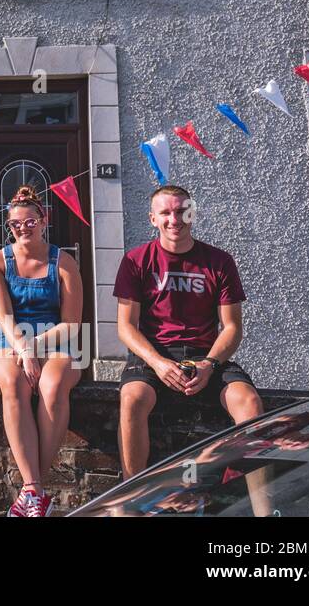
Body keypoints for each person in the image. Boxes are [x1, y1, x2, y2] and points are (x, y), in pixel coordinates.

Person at [115, 185, 263, 480]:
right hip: (153, 357)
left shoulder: (219, 261)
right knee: (131, 398)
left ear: (192, 213)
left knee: (250, 403)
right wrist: (157, 363)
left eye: (182, 211)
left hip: (205, 357)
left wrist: (209, 364)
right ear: (152, 219)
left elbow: (232, 327)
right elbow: (126, 327)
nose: (175, 219)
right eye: (166, 213)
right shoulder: (135, 261)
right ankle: (129, 504)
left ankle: (259, 505)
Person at [0, 185, 83, 517]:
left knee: (53, 386)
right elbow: (3, 315)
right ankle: (35, 489)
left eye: (30, 222)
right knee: (13, 383)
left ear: (44, 220)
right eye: (16, 224)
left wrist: (34, 347)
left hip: (57, 338)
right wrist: (22, 347)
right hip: (9, 338)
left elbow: (72, 324)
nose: (23, 228)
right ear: (8, 226)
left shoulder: (64, 262)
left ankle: (32, 491)